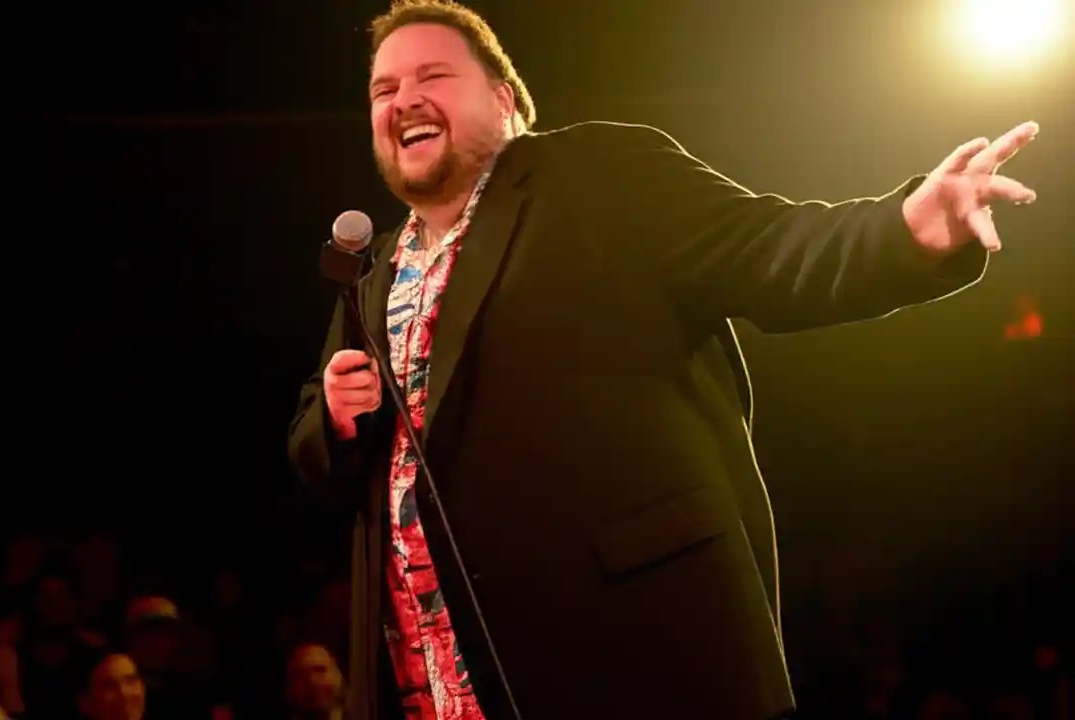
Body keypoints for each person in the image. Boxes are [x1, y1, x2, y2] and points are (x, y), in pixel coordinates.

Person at [287, 1, 1040, 718]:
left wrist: (910, 225)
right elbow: (316, 451)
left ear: (507, 98)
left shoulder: (595, 173)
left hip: (628, 655)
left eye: (433, 77)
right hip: (433, 682)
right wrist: (336, 414)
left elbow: (772, 249)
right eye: (384, 88)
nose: (404, 99)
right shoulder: (374, 272)